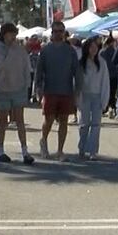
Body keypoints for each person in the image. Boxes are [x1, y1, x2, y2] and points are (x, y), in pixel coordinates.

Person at [34, 21, 80, 161]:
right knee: (48, 120)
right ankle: (43, 141)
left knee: (64, 121)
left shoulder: (70, 50)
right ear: (52, 33)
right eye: (56, 31)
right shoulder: (46, 50)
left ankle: (60, 151)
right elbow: (39, 71)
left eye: (61, 31)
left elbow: (76, 71)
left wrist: (78, 90)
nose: (58, 34)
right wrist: (38, 89)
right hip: (50, 90)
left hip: (66, 91)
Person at [0, 24, 34, 164]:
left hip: (19, 88)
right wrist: (11, 50)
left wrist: (28, 86)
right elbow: (2, 65)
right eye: (11, 34)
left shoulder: (20, 49)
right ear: (4, 34)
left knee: (20, 119)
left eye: (15, 34)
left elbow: (26, 66)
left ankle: (25, 151)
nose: (13, 37)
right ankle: (0, 150)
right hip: (3, 88)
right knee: (3, 120)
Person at [76, 36, 109, 160]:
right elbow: (77, 81)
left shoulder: (102, 63)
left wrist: (104, 99)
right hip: (84, 95)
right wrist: (77, 97)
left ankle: (93, 151)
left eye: (96, 47)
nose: (93, 49)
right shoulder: (81, 63)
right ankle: (82, 148)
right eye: (91, 47)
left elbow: (105, 82)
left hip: (97, 96)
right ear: (87, 48)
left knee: (96, 124)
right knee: (84, 124)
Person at [100, 36, 118, 116]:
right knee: (113, 93)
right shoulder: (115, 51)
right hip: (114, 74)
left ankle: (105, 108)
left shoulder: (102, 52)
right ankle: (112, 108)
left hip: (105, 75)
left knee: (105, 91)